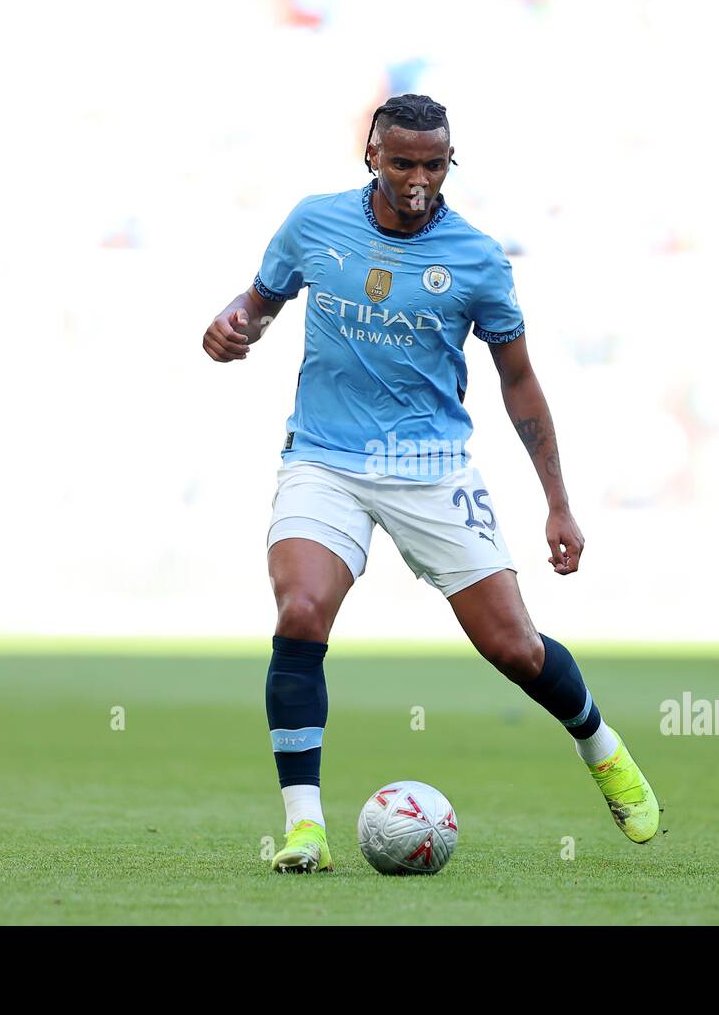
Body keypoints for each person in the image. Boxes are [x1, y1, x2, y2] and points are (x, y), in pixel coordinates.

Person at [203, 94, 658, 872]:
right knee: (302, 609)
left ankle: (600, 745)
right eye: (404, 162)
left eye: (434, 165)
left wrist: (558, 501)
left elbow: (519, 382)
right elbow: (258, 303)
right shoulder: (314, 223)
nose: (419, 179)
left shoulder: (477, 257)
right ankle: (305, 826)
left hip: (430, 468)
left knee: (514, 648)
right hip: (325, 458)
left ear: (451, 164)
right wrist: (230, 328)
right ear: (372, 157)